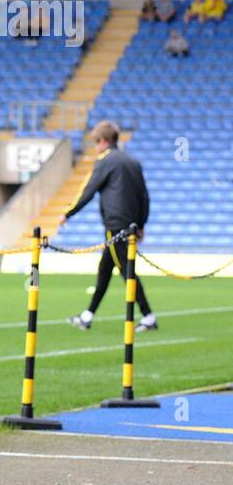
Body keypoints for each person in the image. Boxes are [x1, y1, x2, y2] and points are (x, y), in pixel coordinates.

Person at [62, 121, 156, 332]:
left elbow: (88, 190)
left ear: (103, 141)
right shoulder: (133, 162)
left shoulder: (105, 161)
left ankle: (148, 316)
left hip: (116, 226)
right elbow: (144, 197)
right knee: (105, 270)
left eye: (96, 142)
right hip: (130, 225)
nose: (96, 147)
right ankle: (87, 316)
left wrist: (68, 213)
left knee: (127, 272)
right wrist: (141, 224)